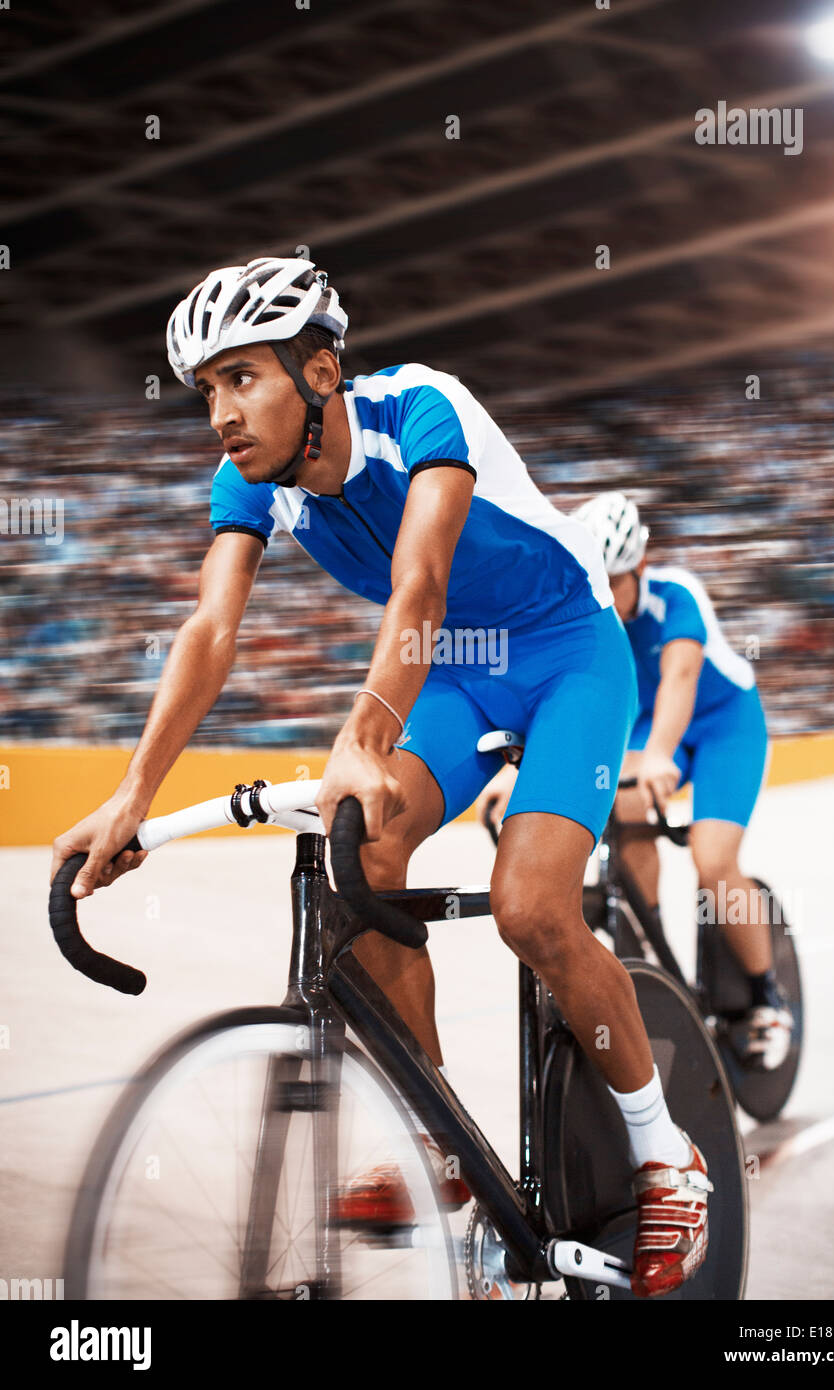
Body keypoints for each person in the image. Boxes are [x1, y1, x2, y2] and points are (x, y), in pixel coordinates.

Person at [51, 260, 712, 1297]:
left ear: (320, 370)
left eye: (243, 378)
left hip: (566, 650)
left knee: (531, 907)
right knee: (359, 842)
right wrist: (132, 796)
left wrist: (364, 726)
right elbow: (210, 630)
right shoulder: (251, 484)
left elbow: (423, 581)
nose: (222, 413)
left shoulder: (422, 411)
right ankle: (439, 1139)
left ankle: (668, 1152)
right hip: (458, 674)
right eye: (208, 389)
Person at [481, 491, 793, 1069]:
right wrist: (512, 772)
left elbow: (680, 677)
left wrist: (659, 755)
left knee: (712, 860)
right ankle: (650, 949)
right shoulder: (586, 611)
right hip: (647, 727)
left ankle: (764, 995)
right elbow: (559, 694)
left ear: (639, 569)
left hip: (723, 723)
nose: (605, 594)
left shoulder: (677, 596)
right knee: (623, 819)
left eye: (614, 581)